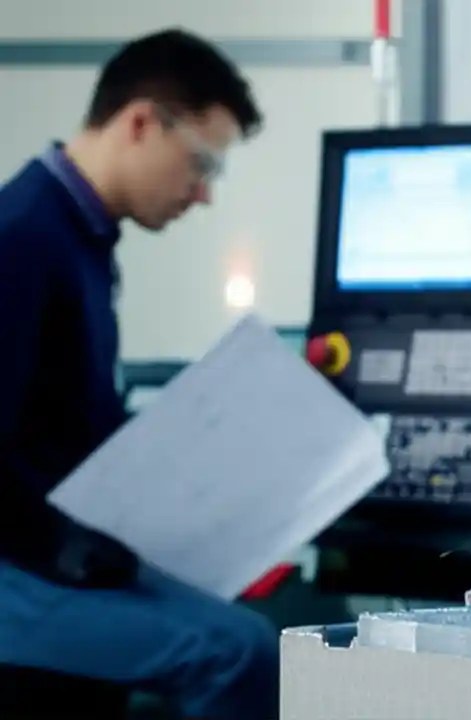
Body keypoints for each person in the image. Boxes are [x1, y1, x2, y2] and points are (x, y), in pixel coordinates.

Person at [0, 29, 278, 719]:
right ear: (140, 122)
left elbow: (60, 421)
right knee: (239, 650)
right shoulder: (23, 238)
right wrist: (72, 550)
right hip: (16, 557)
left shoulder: (79, 239)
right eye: (203, 163)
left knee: (233, 621)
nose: (204, 194)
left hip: (43, 546)